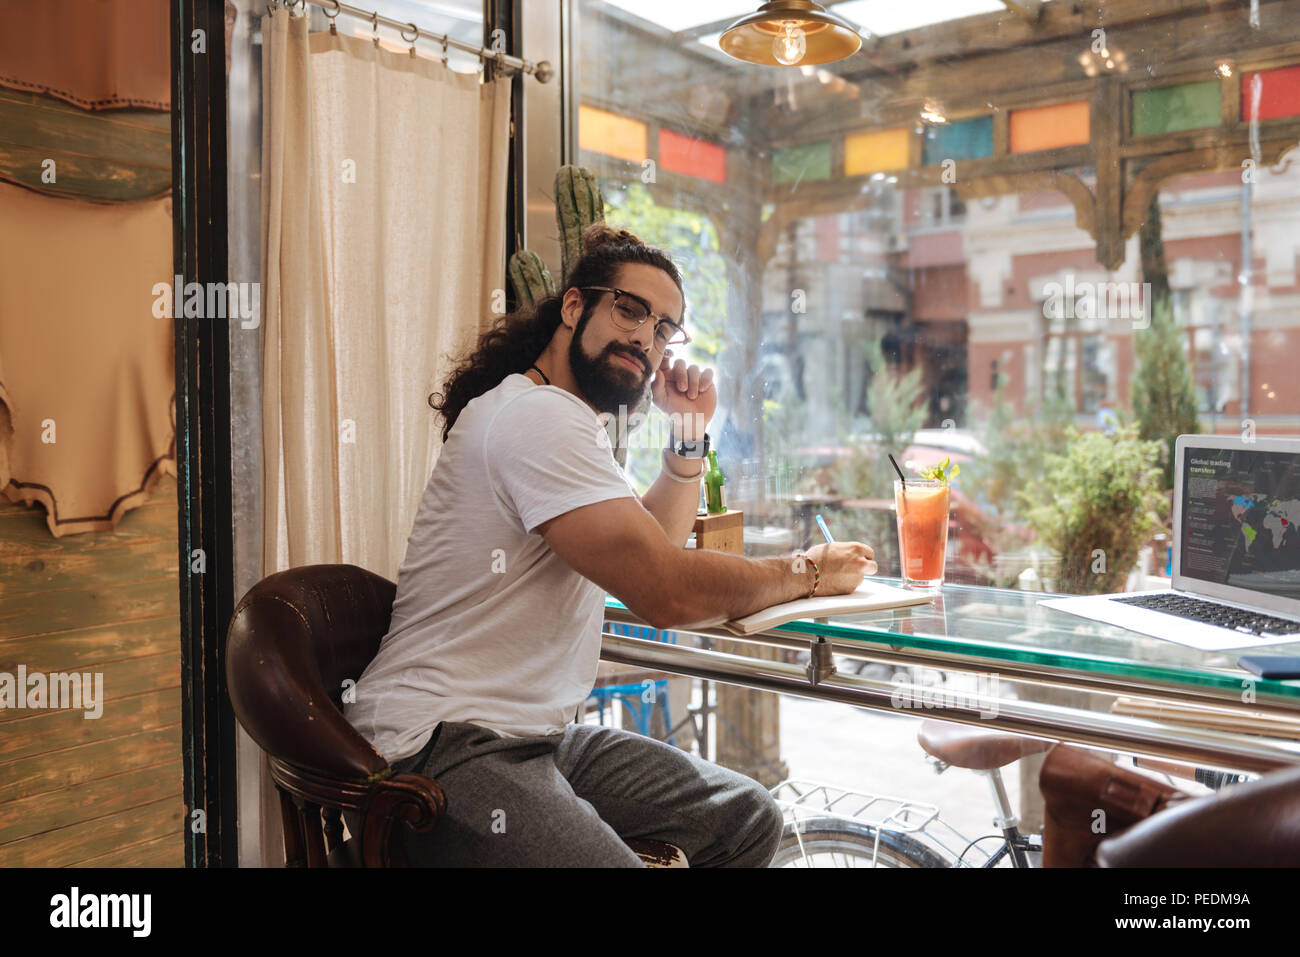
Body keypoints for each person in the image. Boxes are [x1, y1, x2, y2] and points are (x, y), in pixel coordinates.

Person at [343, 223, 877, 866]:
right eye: (630, 309)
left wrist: (686, 438)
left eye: (664, 329)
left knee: (742, 817)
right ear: (574, 306)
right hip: (439, 746)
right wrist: (806, 572)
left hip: (533, 738)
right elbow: (666, 592)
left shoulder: (560, 418)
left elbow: (651, 547)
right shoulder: (537, 417)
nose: (645, 338)